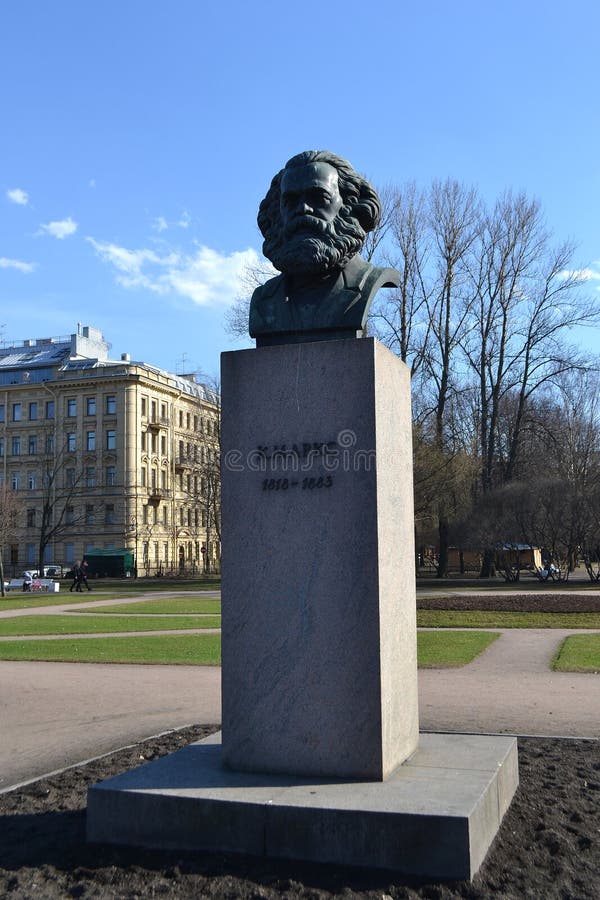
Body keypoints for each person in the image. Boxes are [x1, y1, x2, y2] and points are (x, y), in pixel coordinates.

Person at [249, 150, 400, 346]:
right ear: (277, 212)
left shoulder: (367, 282)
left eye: (319, 197)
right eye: (290, 201)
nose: (303, 209)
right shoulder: (264, 301)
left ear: (349, 206)